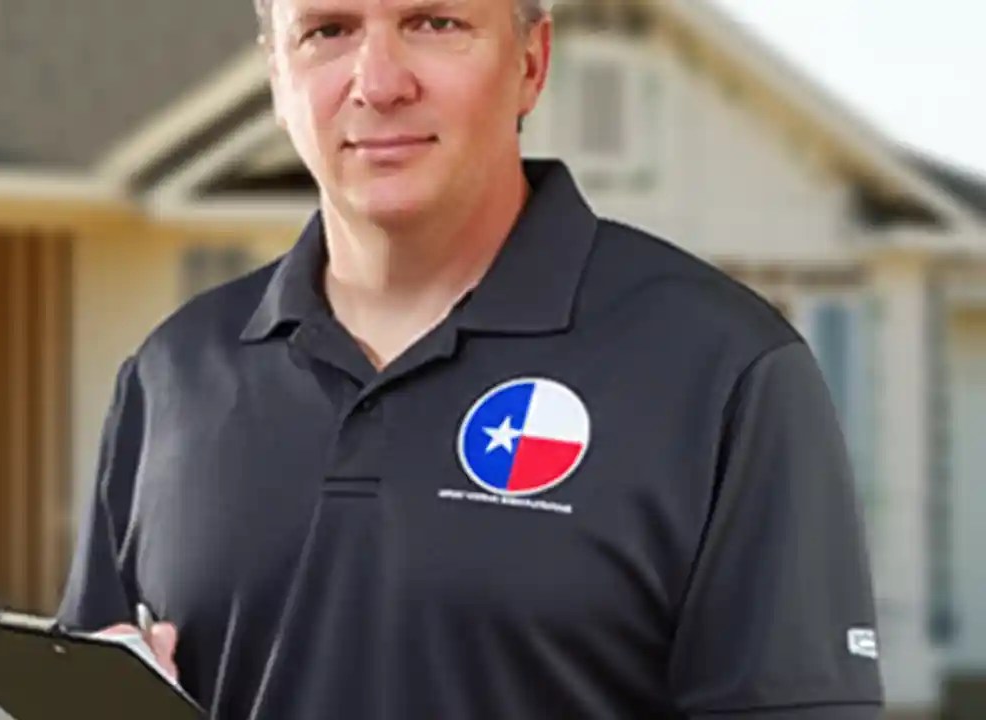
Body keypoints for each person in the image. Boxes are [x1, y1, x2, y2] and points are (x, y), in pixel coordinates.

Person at [57, 0, 885, 716]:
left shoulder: (722, 370)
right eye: (327, 30)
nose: (378, 82)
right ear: (276, 77)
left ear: (533, 62)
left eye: (434, 22)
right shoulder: (172, 378)